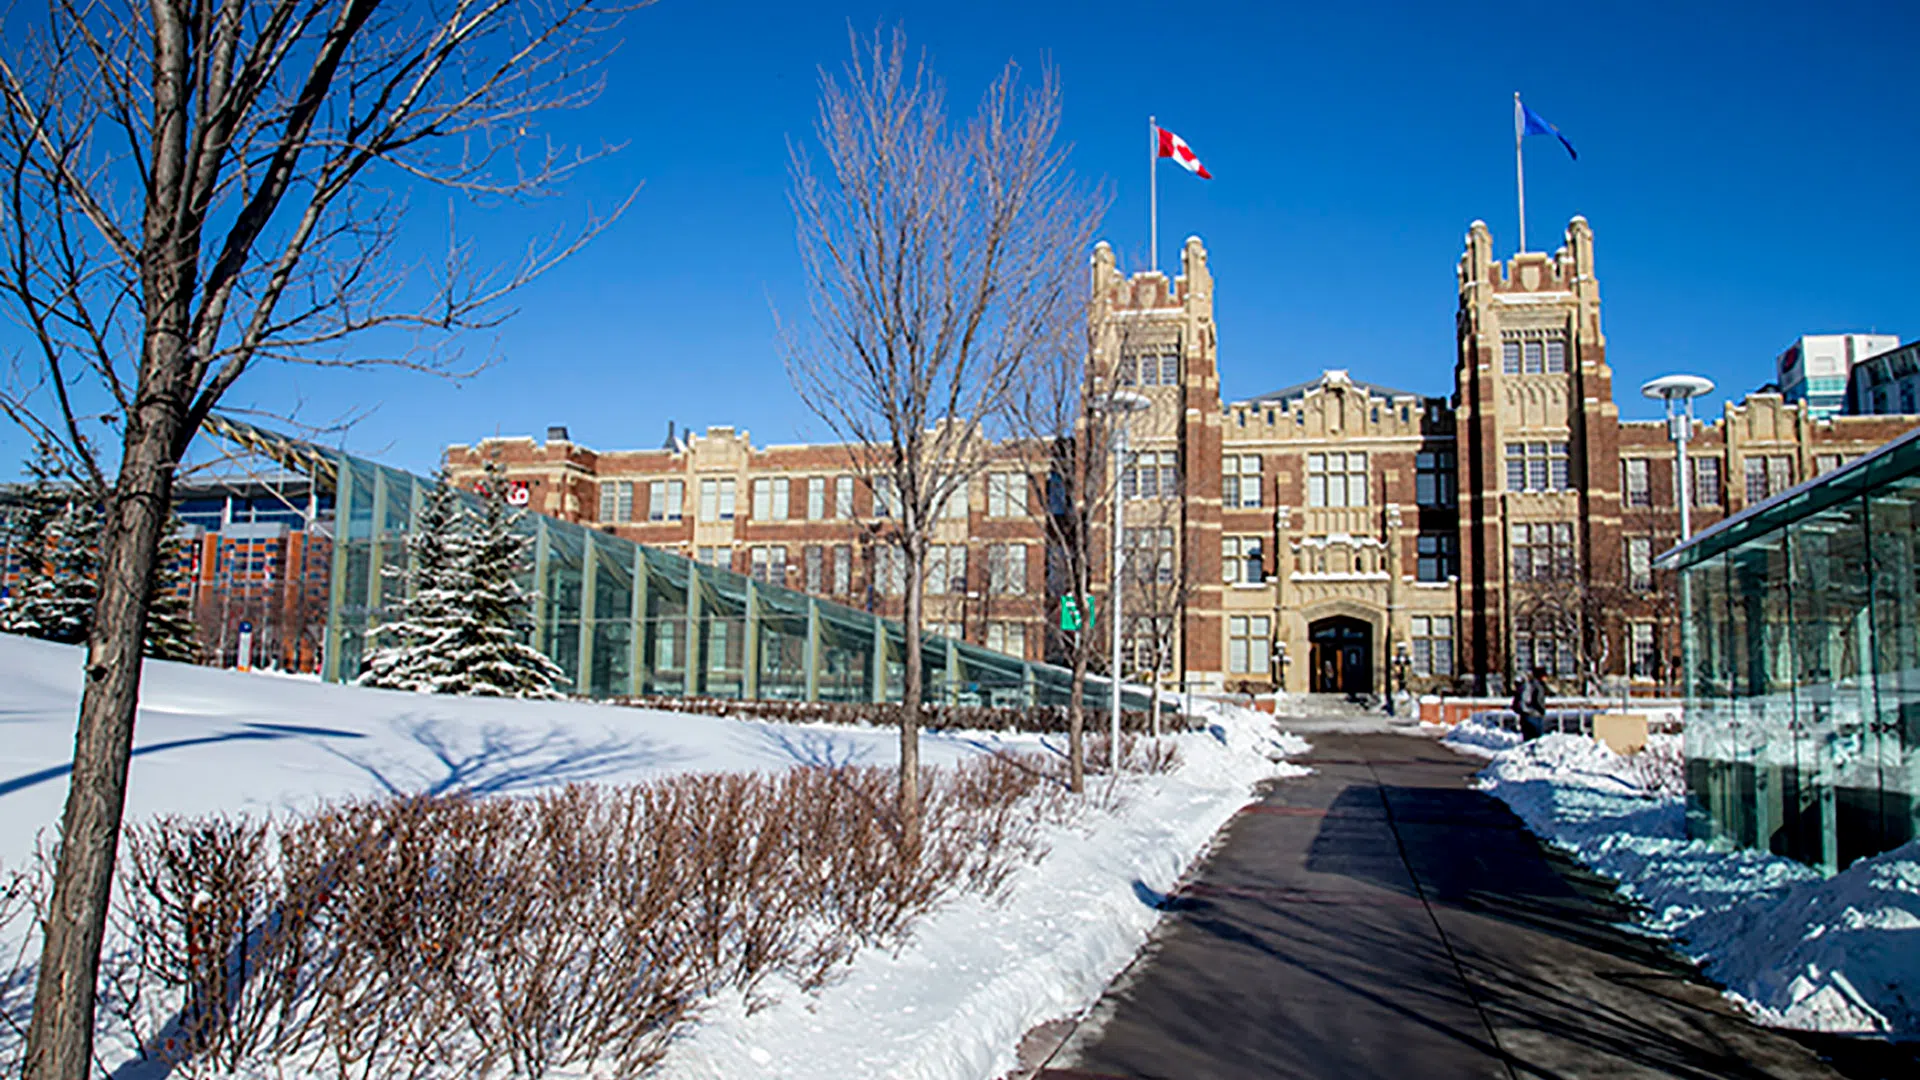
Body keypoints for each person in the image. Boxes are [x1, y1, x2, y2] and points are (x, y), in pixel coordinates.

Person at [1510, 665, 1548, 742]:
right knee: (1537, 740)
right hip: (1535, 714)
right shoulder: (1538, 686)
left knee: (1527, 740)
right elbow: (1539, 700)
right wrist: (1542, 710)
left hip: (1525, 715)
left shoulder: (1528, 684)